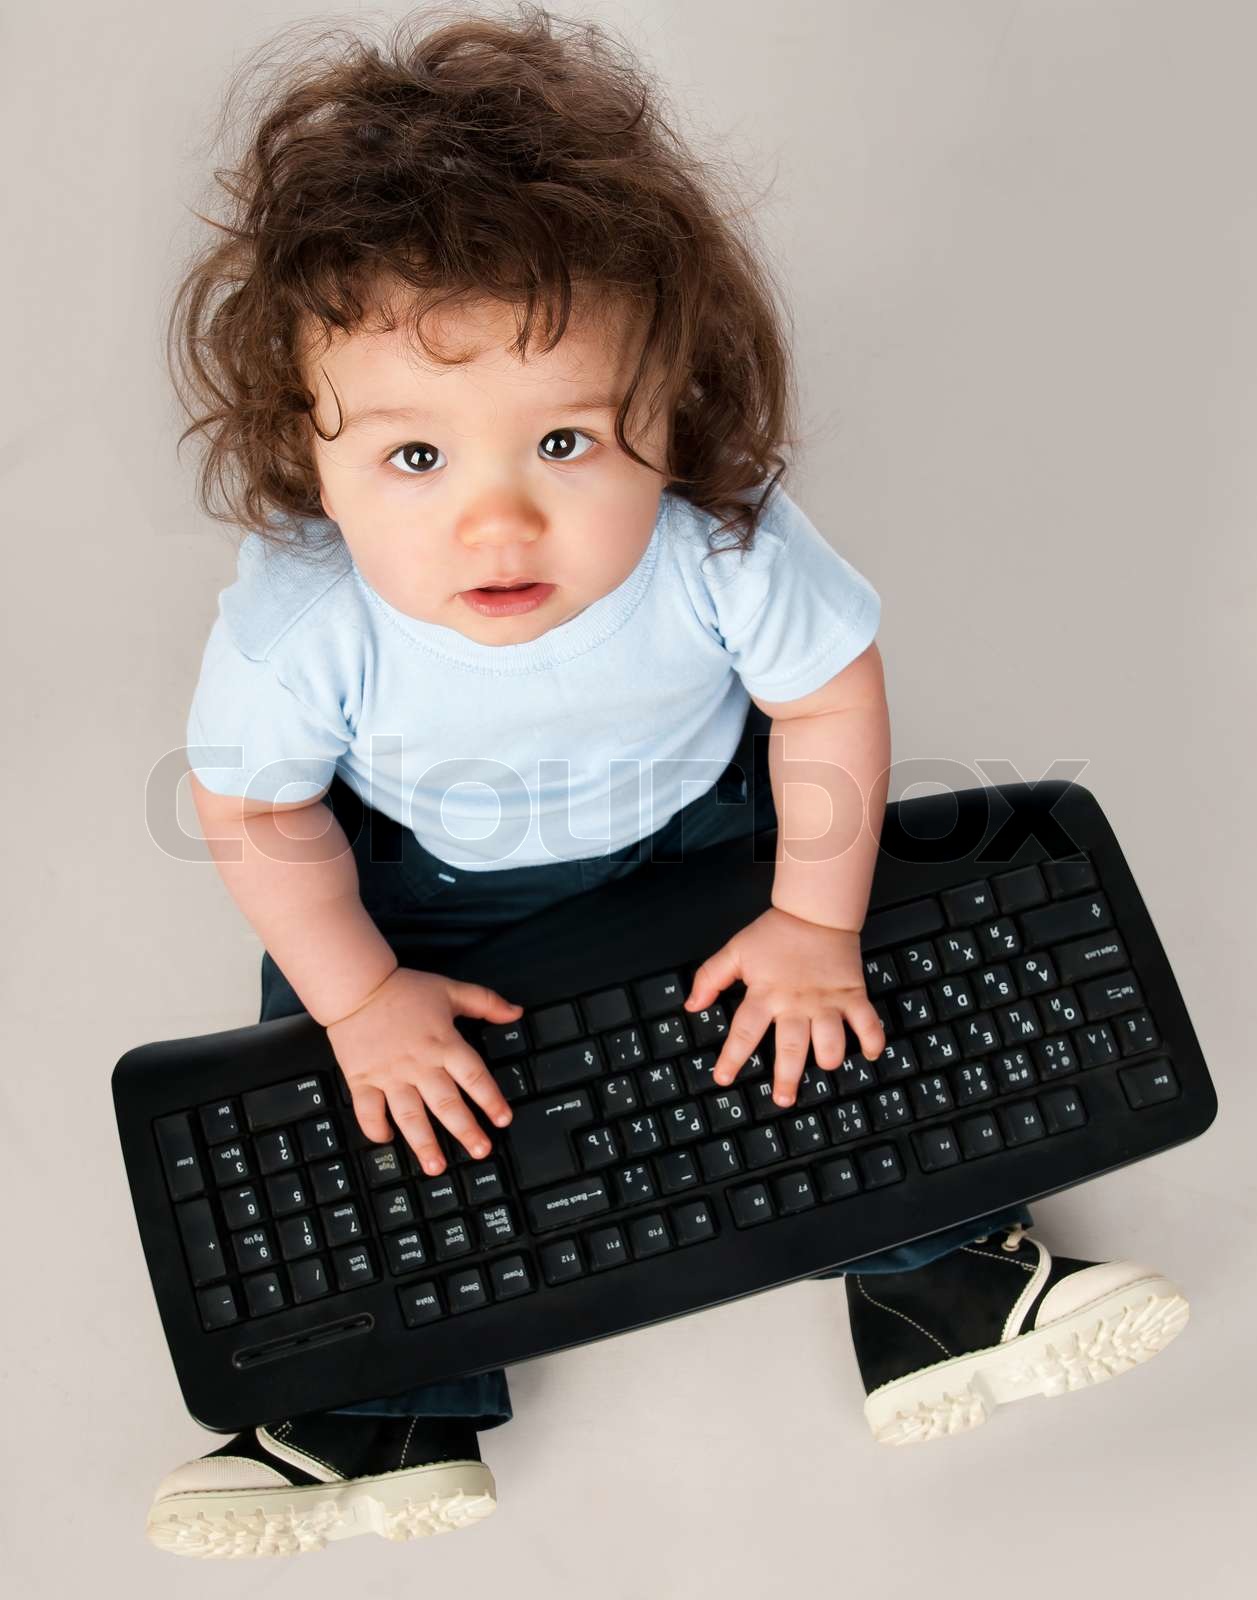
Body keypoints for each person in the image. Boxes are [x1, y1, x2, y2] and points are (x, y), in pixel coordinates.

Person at [145, 3, 1189, 1561]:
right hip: (430, 884)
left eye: (564, 441)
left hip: (705, 827)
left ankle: (948, 1286)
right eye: (414, 462)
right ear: (310, 448)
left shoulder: (719, 540)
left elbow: (824, 700)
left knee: (842, 1032)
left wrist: (812, 919)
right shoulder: (310, 618)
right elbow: (256, 809)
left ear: (670, 406)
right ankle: (379, 1411)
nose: (498, 529)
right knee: (384, 1112)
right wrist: (364, 998)